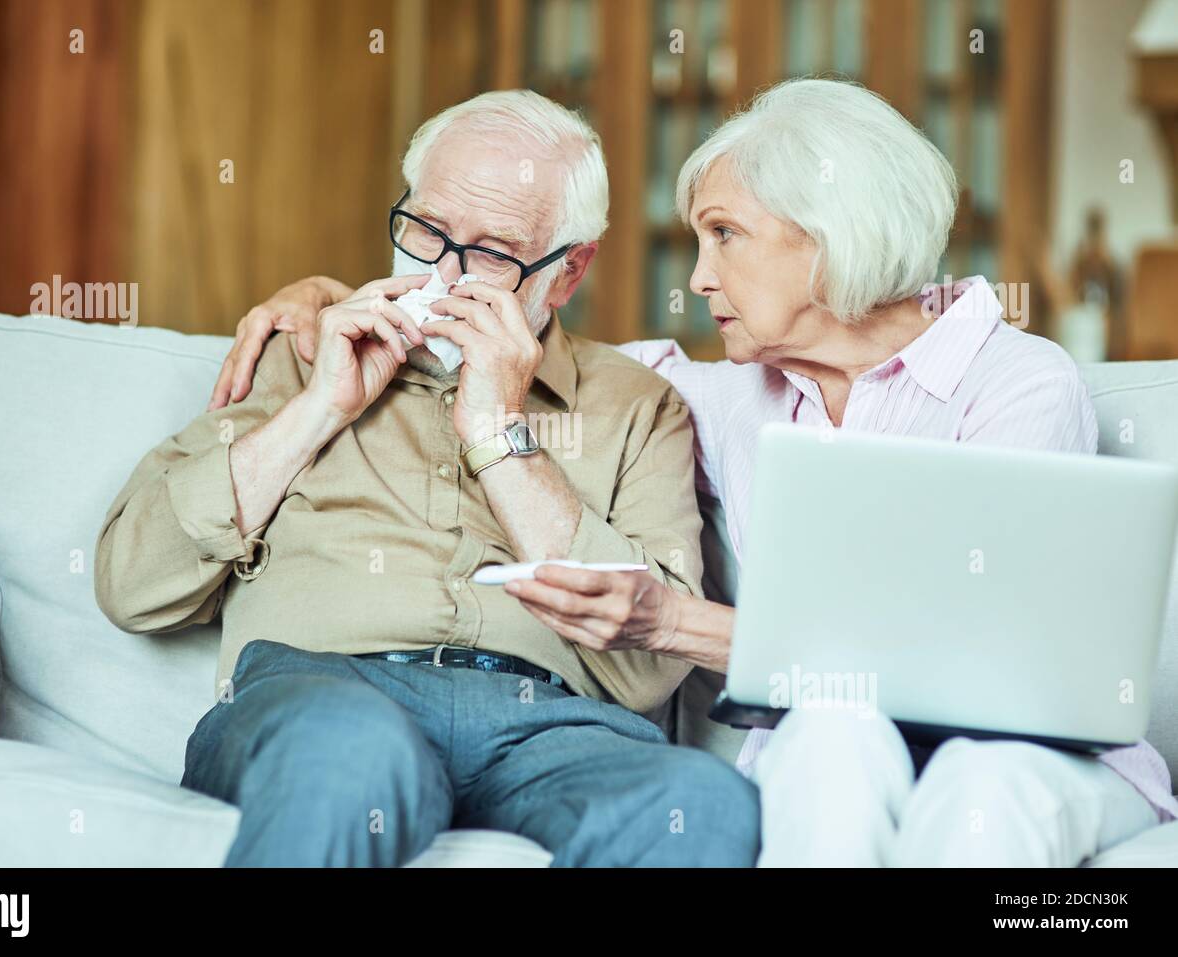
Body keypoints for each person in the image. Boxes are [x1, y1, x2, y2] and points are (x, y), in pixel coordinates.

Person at [216, 78, 1176, 867]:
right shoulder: (727, 395)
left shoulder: (1015, 382)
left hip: (1024, 753)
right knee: (824, 747)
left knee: (980, 790)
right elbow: (528, 336)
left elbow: (979, 665)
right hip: (840, 738)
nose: (701, 274)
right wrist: (342, 294)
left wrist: (678, 623)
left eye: (726, 234)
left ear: (828, 236)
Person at [94, 89, 759, 868]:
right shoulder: (301, 351)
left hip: (551, 724)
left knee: (703, 802)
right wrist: (319, 409)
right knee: (352, 752)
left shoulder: (637, 406)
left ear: (568, 272)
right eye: (427, 230)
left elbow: (649, 666)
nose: (442, 273)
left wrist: (498, 430)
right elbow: (130, 582)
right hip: (322, 694)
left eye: (491, 252)